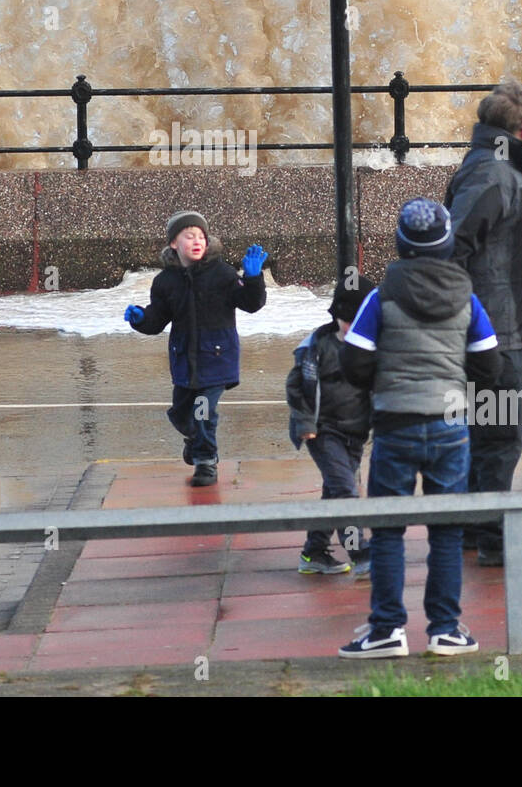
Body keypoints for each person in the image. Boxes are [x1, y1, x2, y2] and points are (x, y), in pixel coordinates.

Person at [337, 198, 499, 658]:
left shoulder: (382, 293)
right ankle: (445, 629)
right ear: (447, 245)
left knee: (388, 528)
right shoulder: (466, 295)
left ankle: (387, 630)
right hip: (450, 426)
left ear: (401, 244)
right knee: (446, 530)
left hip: (395, 425)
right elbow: (490, 363)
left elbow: (354, 359)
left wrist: (383, 381)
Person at [444, 79, 522, 568]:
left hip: (495, 324)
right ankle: (495, 537)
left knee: (484, 428)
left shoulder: (487, 167)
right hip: (496, 329)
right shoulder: (495, 175)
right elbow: (452, 249)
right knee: (499, 433)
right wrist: (473, 324)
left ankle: (477, 525)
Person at [124, 211, 267, 487]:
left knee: (203, 409)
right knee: (180, 413)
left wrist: (252, 278)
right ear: (174, 244)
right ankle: (194, 438)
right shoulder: (165, 281)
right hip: (183, 359)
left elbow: (251, 303)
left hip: (217, 357)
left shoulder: (223, 273)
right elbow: (157, 319)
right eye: (189, 236)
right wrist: (141, 318)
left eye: (201, 235)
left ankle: (206, 462)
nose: (197, 240)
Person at [285, 278, 375, 577]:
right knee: (346, 492)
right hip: (323, 431)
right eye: (346, 319)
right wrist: (307, 423)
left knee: (333, 492)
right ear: (334, 315)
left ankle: (313, 552)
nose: (351, 326)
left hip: (356, 432)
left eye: (358, 320)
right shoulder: (318, 346)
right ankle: (360, 552)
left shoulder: (375, 346)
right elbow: (296, 387)